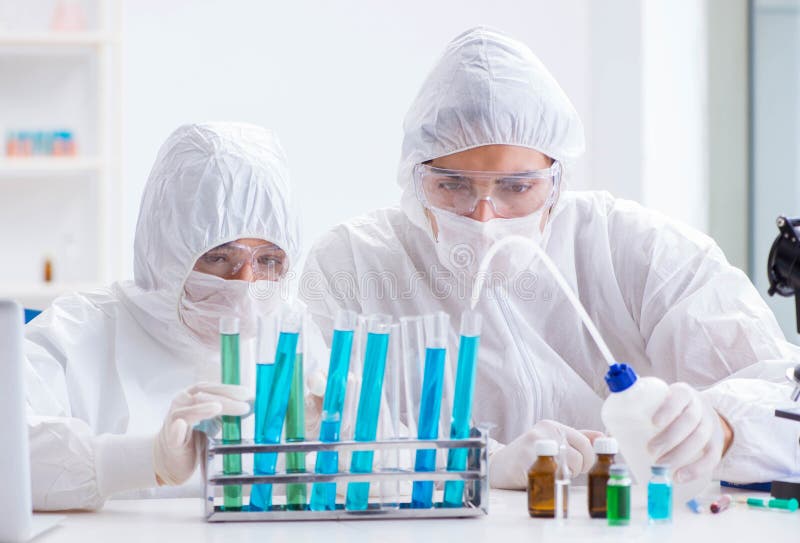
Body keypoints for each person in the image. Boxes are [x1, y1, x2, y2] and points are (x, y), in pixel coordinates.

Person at [301, 27, 800, 490]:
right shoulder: (352, 265)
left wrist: (726, 424)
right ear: (414, 180)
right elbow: (314, 430)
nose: (484, 217)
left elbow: (783, 392)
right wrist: (480, 463)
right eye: (452, 185)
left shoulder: (635, 248)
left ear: (556, 182)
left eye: (516, 188)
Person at [25, 122, 304, 510]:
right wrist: (142, 460)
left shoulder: (299, 337)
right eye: (220, 257)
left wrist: (340, 445)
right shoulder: (75, 332)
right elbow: (10, 451)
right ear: (166, 249)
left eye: (269, 260)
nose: (245, 283)